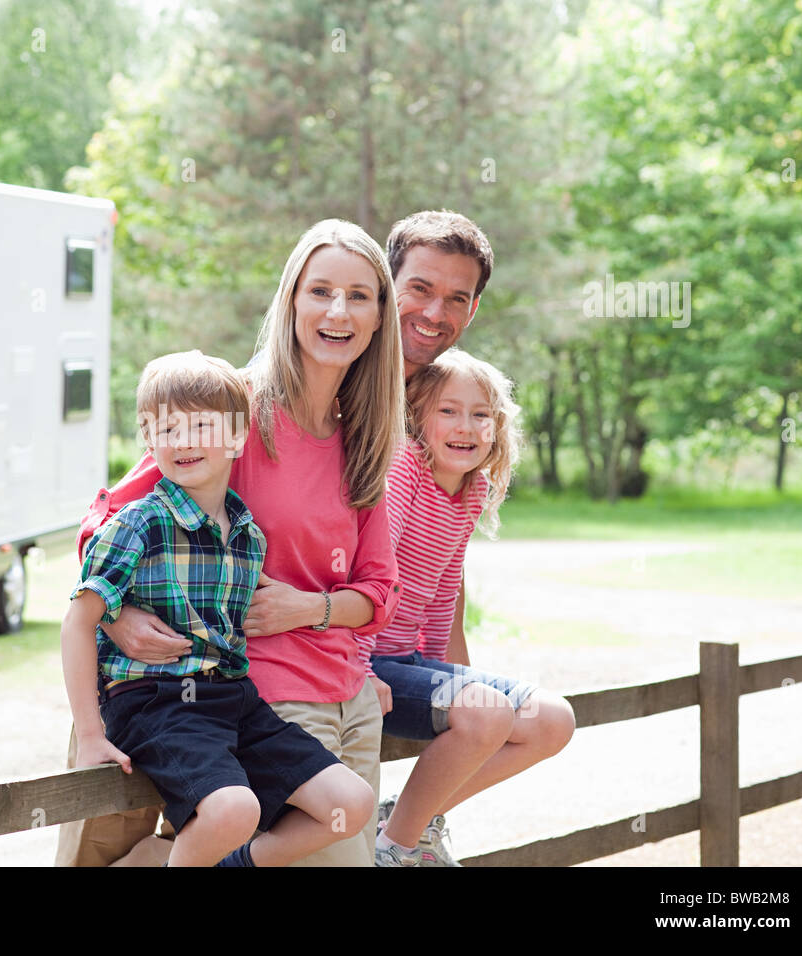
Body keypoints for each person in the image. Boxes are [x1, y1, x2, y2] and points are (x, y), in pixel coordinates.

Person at [58, 218, 406, 867]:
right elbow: (107, 521)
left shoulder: (363, 434)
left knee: (344, 814)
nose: (338, 310)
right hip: (232, 693)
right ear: (291, 300)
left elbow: (378, 591)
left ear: (382, 316)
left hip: (319, 695)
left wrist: (318, 613)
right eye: (320, 290)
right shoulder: (230, 412)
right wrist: (120, 613)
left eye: (360, 295)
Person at [372, 349, 576, 866]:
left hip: (408, 662)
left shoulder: (470, 489)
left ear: (497, 426)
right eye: (448, 411)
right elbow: (370, 574)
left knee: (553, 720)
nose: (465, 426)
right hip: (365, 662)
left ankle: (407, 822)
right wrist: (355, 670)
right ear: (417, 417)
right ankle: (392, 851)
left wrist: (455, 676)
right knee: (486, 713)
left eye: (480, 414)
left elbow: (443, 593)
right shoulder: (404, 471)